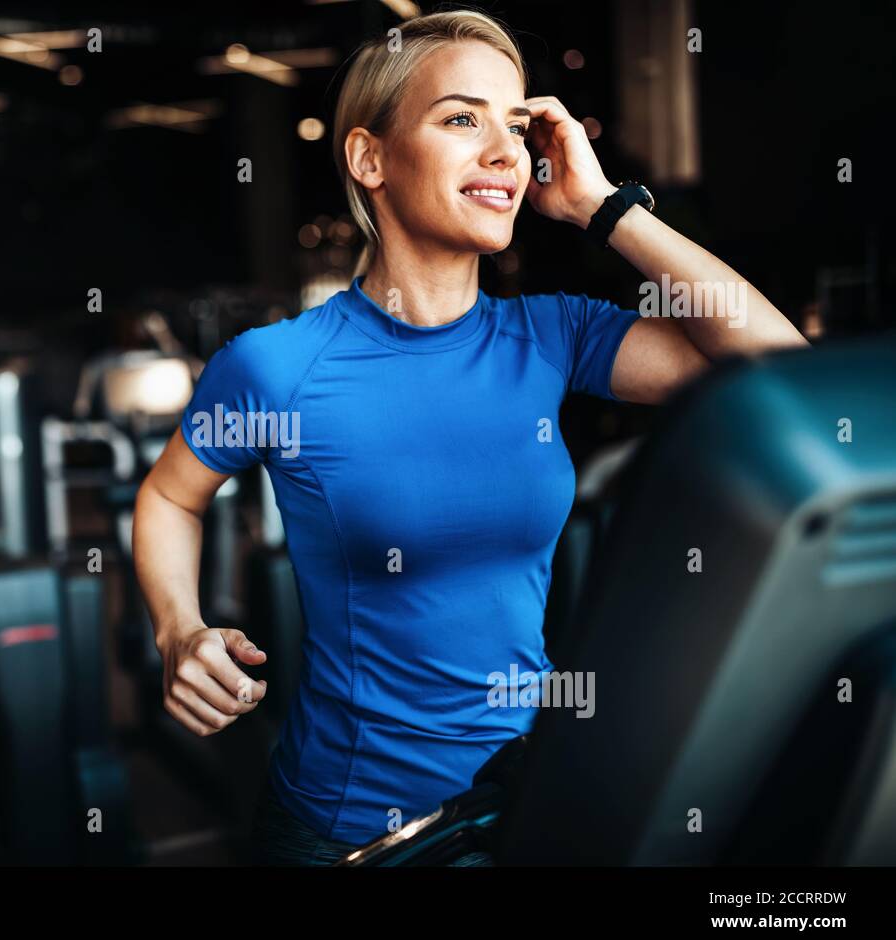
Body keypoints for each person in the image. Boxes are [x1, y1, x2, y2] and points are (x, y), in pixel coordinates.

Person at [131, 8, 808, 865]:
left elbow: (780, 370)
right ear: (369, 159)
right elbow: (168, 497)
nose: (505, 153)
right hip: (349, 834)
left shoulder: (553, 336)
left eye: (518, 127)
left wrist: (607, 208)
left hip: (521, 802)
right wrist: (177, 630)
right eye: (462, 119)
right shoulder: (278, 368)